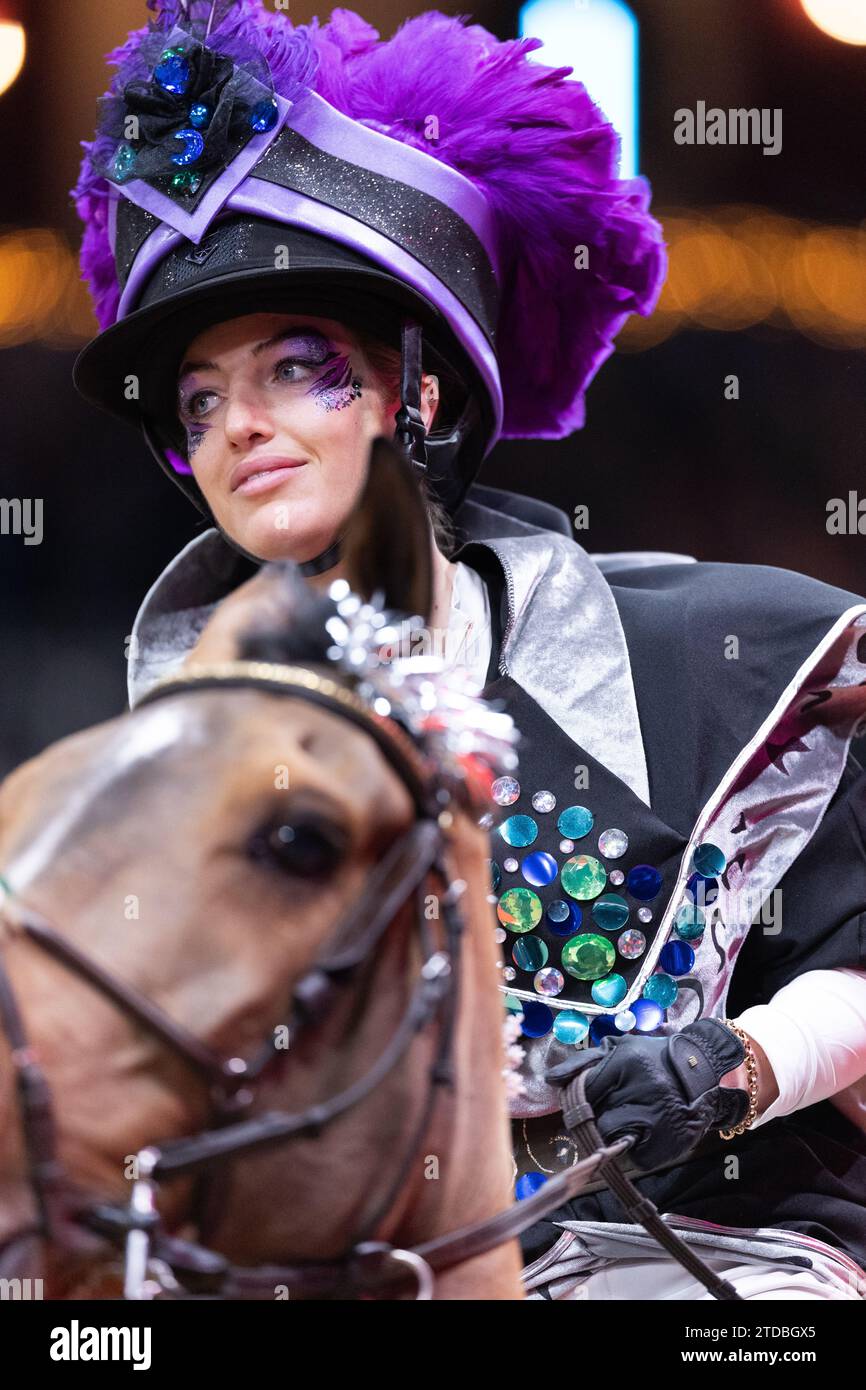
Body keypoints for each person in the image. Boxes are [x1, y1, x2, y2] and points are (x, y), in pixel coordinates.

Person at [72, 0, 866, 1299]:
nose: (238, 427)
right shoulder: (163, 753)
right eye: (200, 399)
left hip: (696, 1248)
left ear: (417, 390)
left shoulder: (723, 658)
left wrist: (747, 1060)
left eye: (296, 368)